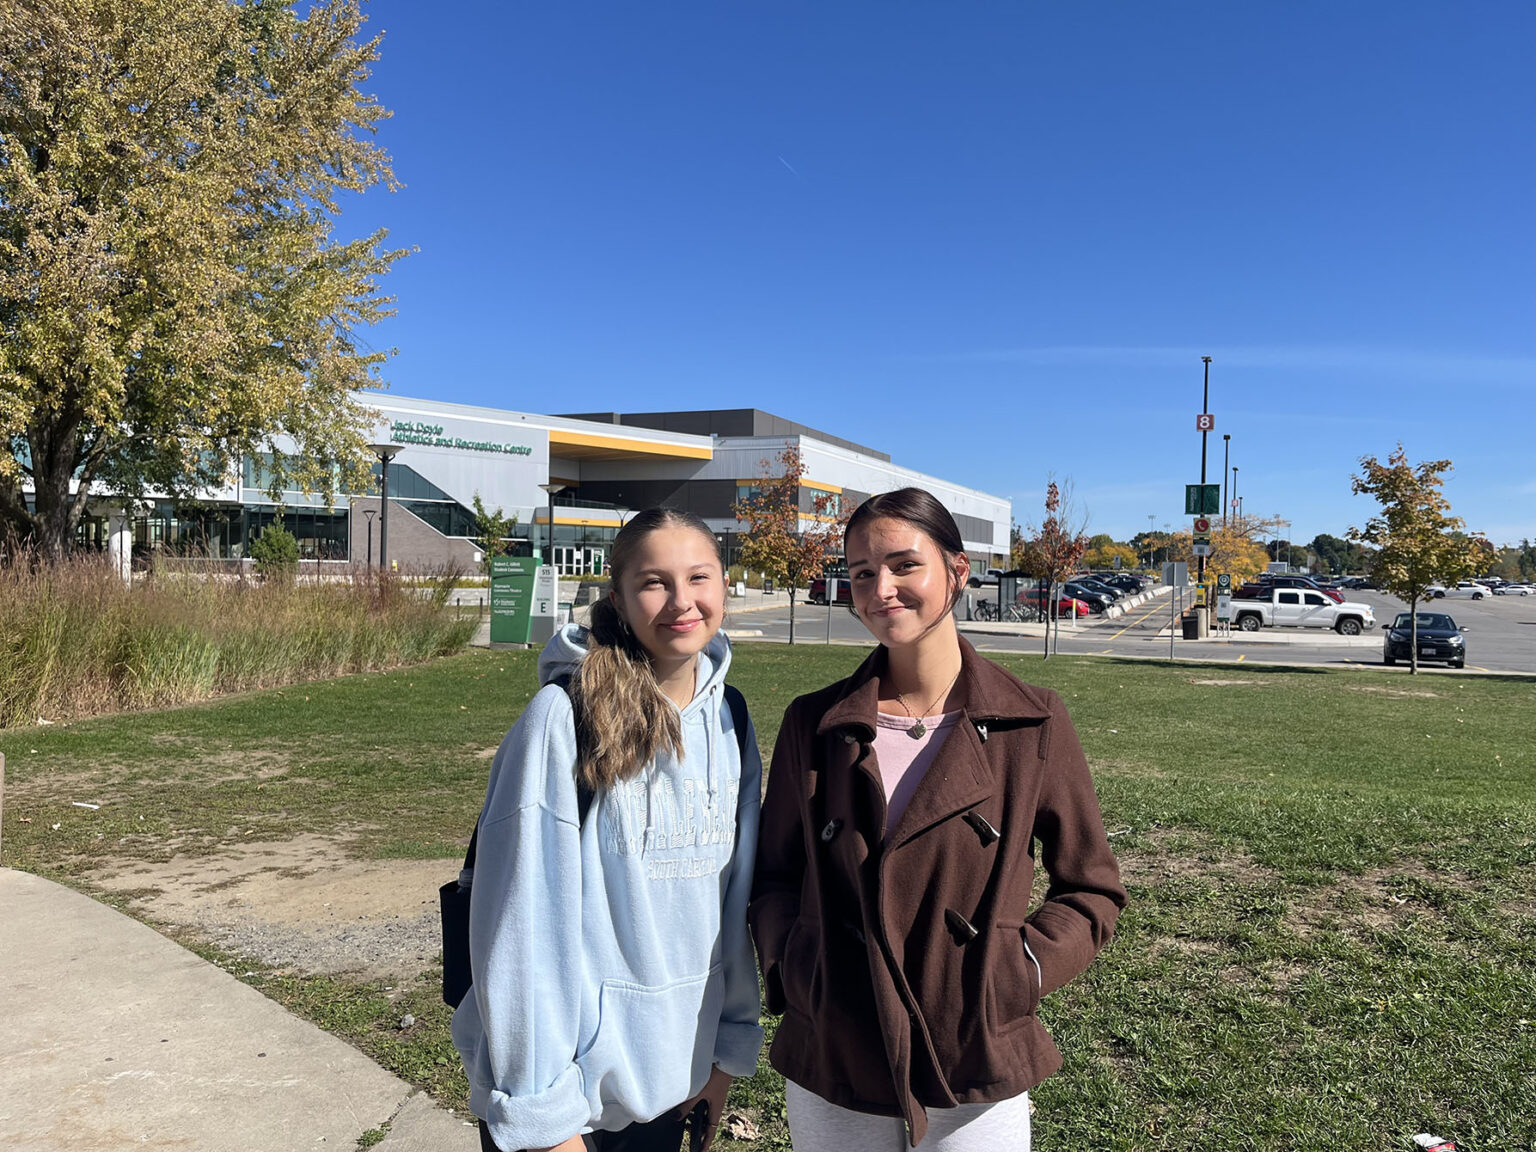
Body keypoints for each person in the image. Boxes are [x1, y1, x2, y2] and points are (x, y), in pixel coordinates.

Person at [749, 488, 1127, 1150]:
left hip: (973, 1047)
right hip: (835, 1042)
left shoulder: (1032, 722)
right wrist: (796, 966)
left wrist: (1019, 973)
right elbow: (774, 875)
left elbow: (1092, 886)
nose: (881, 590)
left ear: (957, 571)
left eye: (904, 565)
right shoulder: (813, 723)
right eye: (862, 573)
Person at [454, 508, 764, 1152]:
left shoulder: (731, 719)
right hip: (569, 1106)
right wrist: (544, 1117)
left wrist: (725, 1054)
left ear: (723, 585)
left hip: (674, 1087)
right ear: (618, 599)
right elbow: (522, 925)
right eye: (654, 582)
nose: (681, 601)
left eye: (698, 577)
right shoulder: (563, 718)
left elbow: (730, 908)